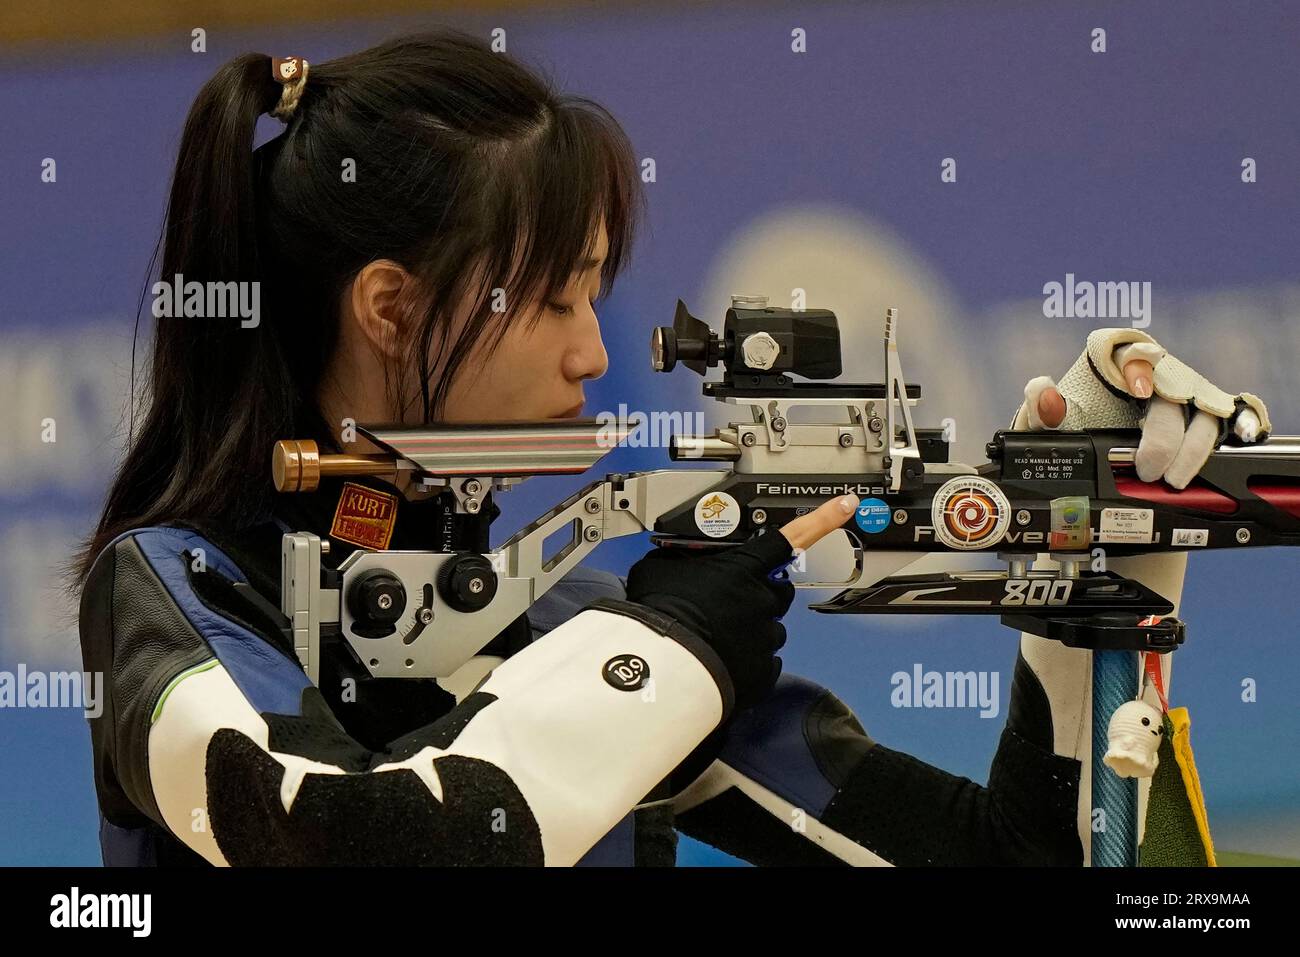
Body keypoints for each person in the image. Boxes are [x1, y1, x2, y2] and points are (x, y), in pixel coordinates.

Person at [74, 29, 1269, 866]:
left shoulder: (561, 629)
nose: (592, 355)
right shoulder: (180, 592)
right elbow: (361, 837)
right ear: (388, 308)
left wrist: (1100, 546)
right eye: (552, 300)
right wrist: (667, 650)